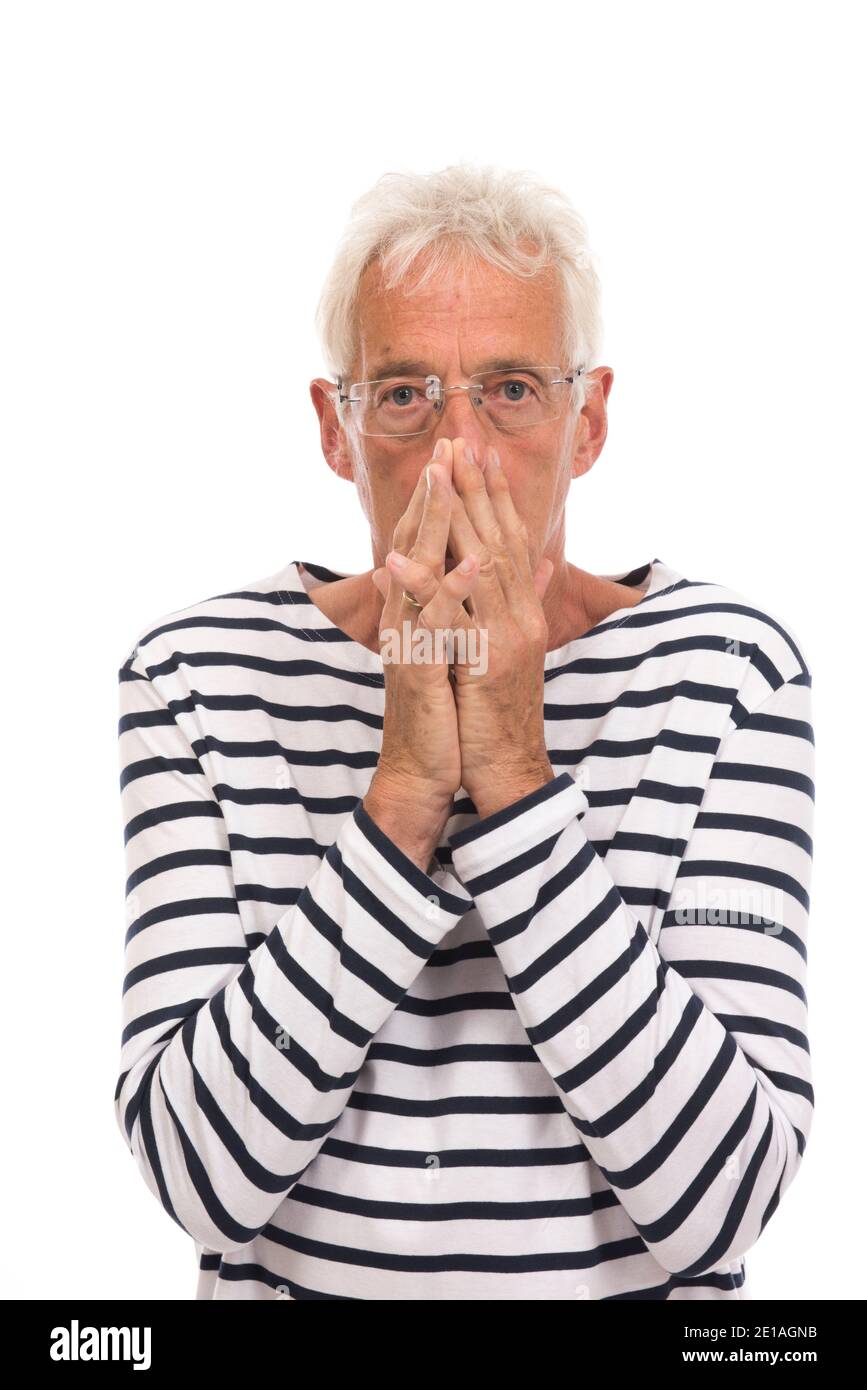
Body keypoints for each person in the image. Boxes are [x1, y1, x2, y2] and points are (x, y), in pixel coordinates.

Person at [115, 163, 814, 1300]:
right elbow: (200, 1180)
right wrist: (403, 785)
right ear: (337, 431)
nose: (460, 454)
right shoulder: (199, 674)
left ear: (586, 421)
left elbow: (724, 1205)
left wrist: (510, 767)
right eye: (402, 395)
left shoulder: (729, 669)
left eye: (510, 389)